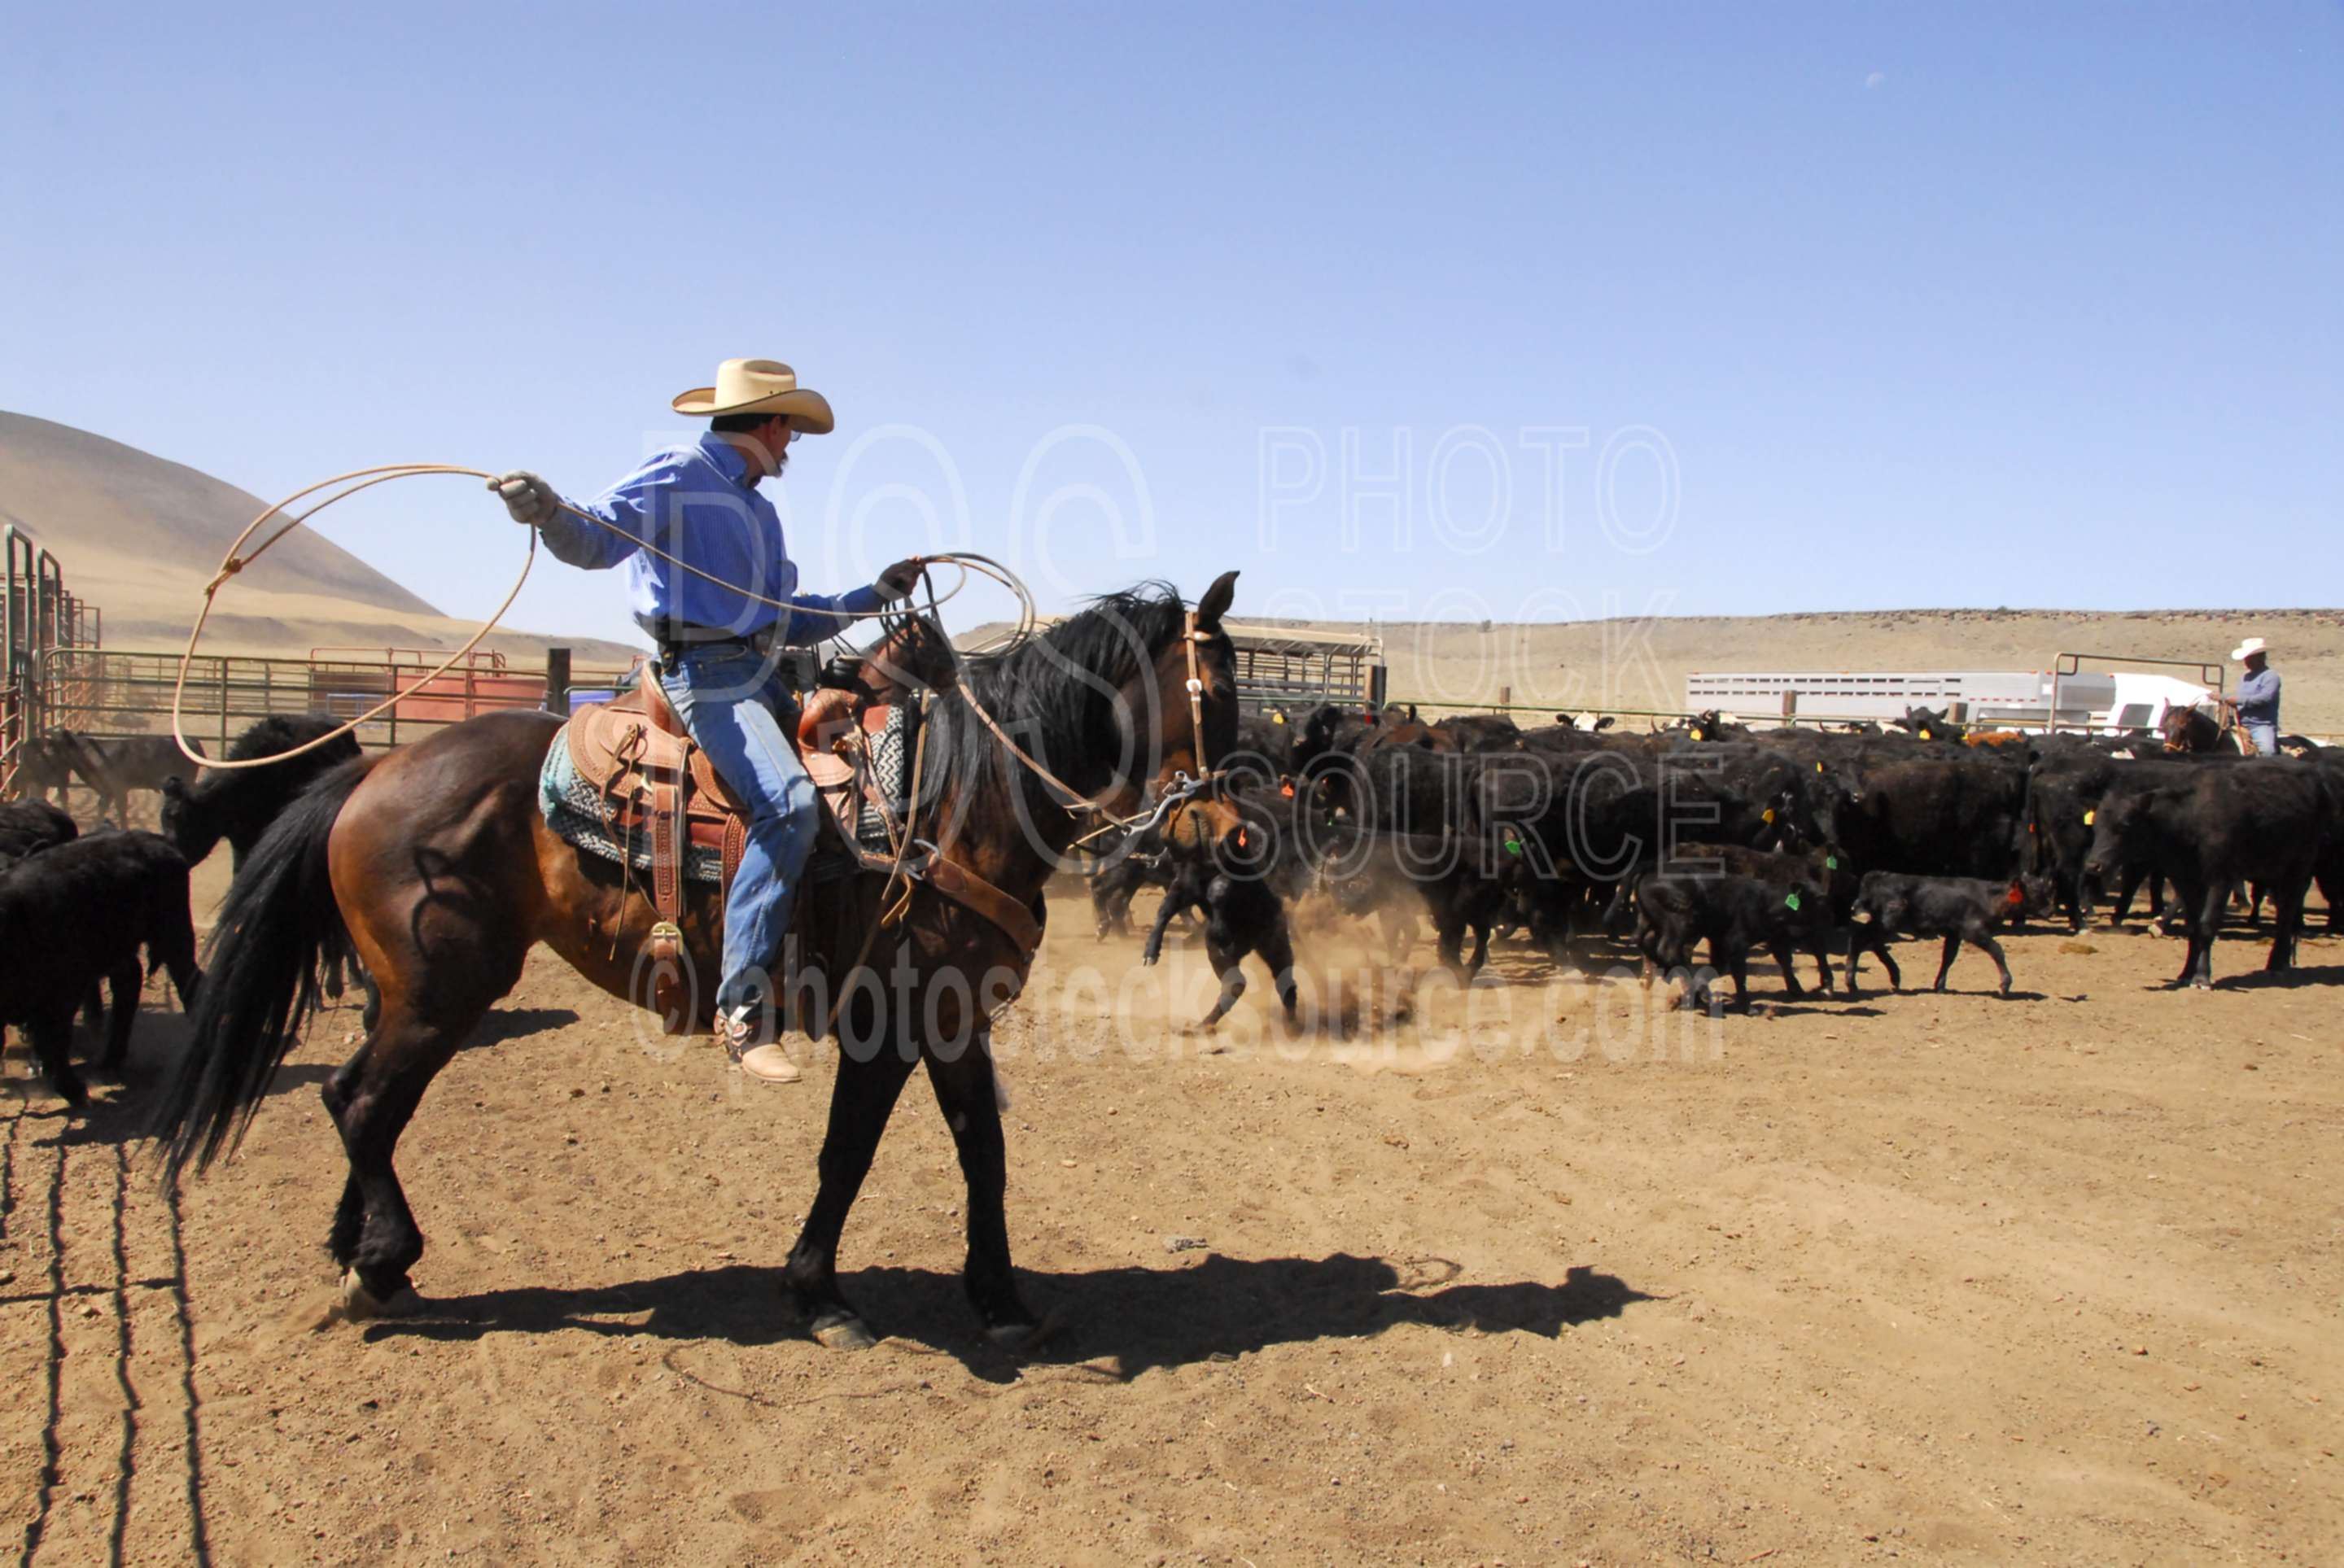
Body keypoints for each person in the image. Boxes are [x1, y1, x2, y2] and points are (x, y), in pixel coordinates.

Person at [490, 358, 920, 1083]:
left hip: (760, 675)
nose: (792, 449)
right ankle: (742, 1006)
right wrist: (546, 512)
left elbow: (791, 619)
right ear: (772, 422)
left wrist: (872, 594)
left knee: (864, 792)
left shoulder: (759, 509)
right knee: (786, 807)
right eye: (791, 434)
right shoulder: (681, 471)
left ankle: (822, 968)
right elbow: (595, 537)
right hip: (707, 676)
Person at [2224, 636, 2281, 756]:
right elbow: (2240, 699)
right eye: (2246, 658)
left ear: (2261, 657)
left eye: (2250, 658)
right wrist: (2223, 698)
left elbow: (2265, 698)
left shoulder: (2270, 677)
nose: (2247, 661)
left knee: (2267, 751)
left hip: (2260, 725)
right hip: (2240, 724)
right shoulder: (2245, 677)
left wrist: (2236, 700)